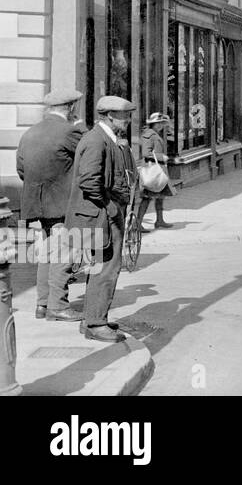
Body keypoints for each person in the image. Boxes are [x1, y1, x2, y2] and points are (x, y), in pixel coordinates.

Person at [66, 96, 137, 343]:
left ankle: (93, 317)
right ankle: (96, 324)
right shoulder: (97, 140)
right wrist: (110, 207)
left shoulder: (109, 139)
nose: (127, 121)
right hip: (101, 216)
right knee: (107, 268)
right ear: (108, 116)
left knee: (102, 267)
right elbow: (88, 180)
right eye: (123, 117)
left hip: (105, 214)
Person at [15, 89, 86, 322]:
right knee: (64, 252)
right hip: (62, 205)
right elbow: (90, 153)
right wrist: (81, 126)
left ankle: (42, 304)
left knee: (47, 253)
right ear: (71, 108)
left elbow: (21, 170)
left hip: (38, 205)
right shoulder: (70, 131)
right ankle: (58, 306)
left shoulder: (29, 133)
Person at [138, 112, 176, 230]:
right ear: (153, 124)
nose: (161, 126)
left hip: (158, 169)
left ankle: (159, 220)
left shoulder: (154, 134)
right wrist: (161, 157)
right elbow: (145, 153)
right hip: (152, 169)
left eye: (162, 123)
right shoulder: (149, 135)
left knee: (160, 196)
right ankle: (138, 223)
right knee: (147, 197)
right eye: (158, 123)